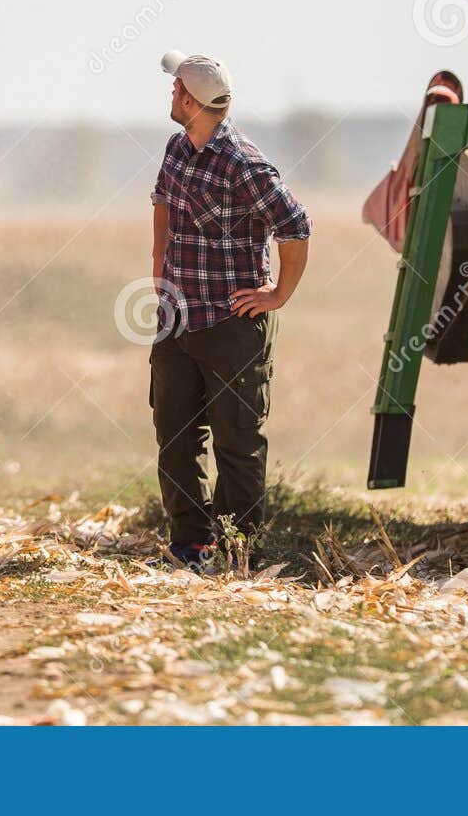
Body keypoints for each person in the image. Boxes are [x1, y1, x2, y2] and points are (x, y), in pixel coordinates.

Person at [148, 50, 310, 568]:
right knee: (175, 439)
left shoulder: (244, 162)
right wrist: (159, 273)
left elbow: (296, 226)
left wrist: (278, 295)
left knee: (237, 443)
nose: (170, 94)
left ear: (191, 100)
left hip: (231, 325)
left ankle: (241, 552)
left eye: (176, 89)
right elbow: (162, 205)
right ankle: (190, 545)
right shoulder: (177, 149)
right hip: (176, 321)